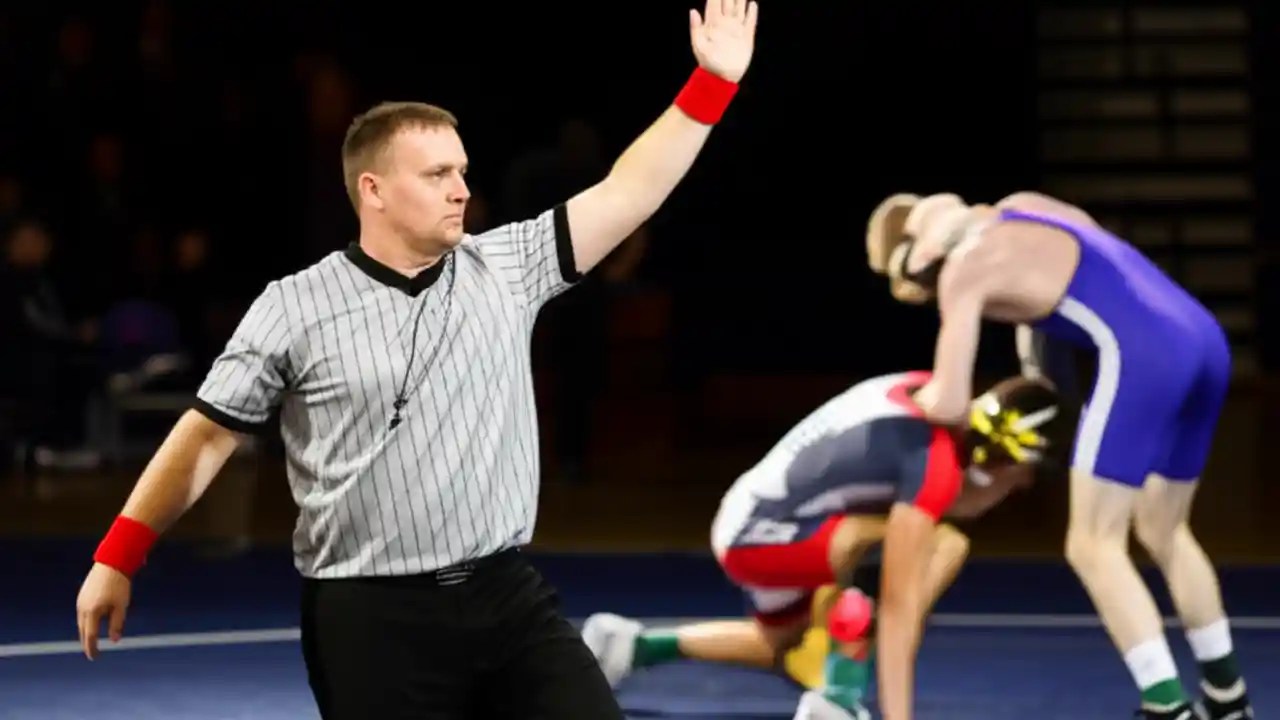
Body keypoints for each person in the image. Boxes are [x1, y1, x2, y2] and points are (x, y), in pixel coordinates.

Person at [73, 3, 759, 718]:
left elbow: (630, 190)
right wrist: (118, 554)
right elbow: (208, 433)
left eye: (461, 170)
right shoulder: (295, 305)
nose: (461, 188)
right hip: (369, 615)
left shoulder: (508, 267)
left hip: (505, 596)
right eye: (437, 174)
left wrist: (711, 84)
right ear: (373, 190)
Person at [865, 191, 1253, 720]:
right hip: (1204, 339)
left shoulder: (963, 269)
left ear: (922, 257)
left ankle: (1166, 707)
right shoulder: (1027, 207)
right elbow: (1065, 306)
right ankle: (1228, 700)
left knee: (1092, 545)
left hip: (1142, 353)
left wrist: (905, 401)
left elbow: (951, 401)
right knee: (1164, 531)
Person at [582, 370, 1064, 720]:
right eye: (1020, 481)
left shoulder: (924, 388)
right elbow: (897, 609)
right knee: (938, 547)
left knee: (782, 645)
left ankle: (631, 646)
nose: (1016, 493)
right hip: (763, 537)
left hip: (759, 520)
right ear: (998, 466)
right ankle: (837, 697)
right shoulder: (933, 466)